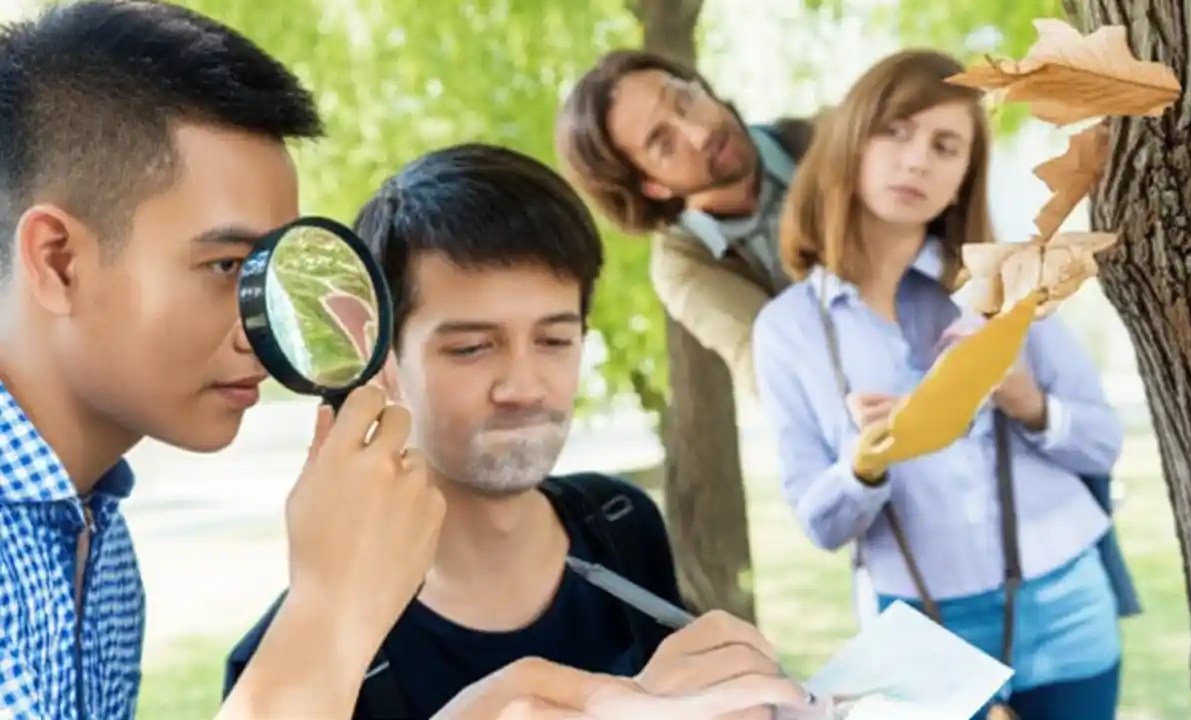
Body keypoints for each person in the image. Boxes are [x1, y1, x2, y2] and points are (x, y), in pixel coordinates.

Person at [223, 143, 813, 719]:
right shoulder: (293, 670)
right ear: (384, 364)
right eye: (473, 348)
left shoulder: (618, 522)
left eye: (555, 340)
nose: (524, 386)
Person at [0, 2, 448, 718]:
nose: (262, 330)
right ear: (59, 262)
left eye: (273, 272)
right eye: (226, 266)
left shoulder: (100, 544)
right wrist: (328, 613)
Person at [753, 49, 1126, 719]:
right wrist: (863, 464)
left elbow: (1101, 443)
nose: (917, 159)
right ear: (849, 142)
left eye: (945, 145)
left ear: (962, 179)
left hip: (1066, 600)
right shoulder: (788, 330)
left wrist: (1023, 397)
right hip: (919, 629)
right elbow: (819, 521)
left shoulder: (1006, 285)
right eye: (895, 131)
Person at [555, 50, 818, 394]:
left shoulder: (831, 138)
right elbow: (773, 371)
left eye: (685, 100)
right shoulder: (684, 265)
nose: (700, 132)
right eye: (665, 144)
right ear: (652, 186)